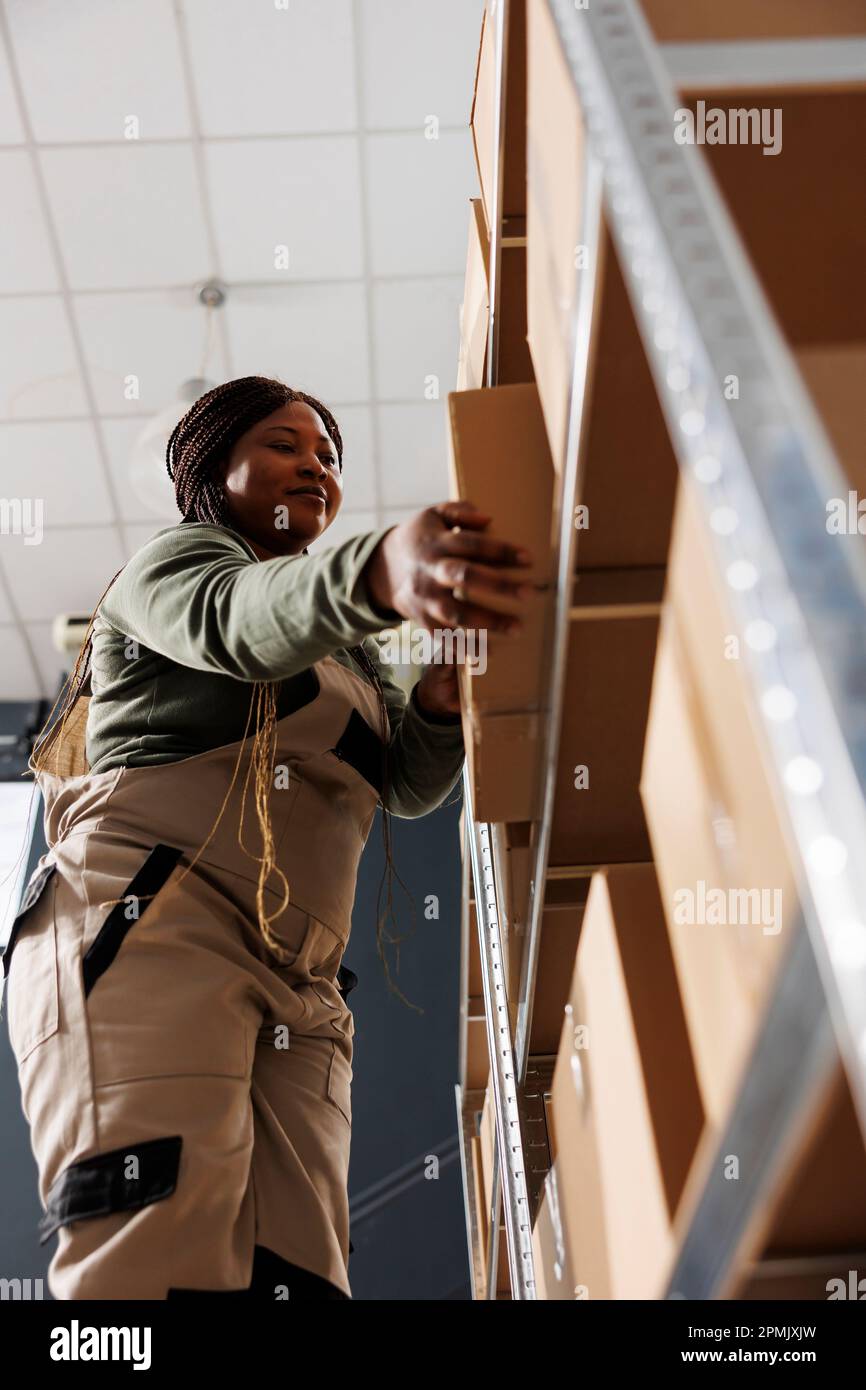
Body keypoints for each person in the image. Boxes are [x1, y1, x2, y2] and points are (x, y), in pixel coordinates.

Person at [2, 376, 532, 1300]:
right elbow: (240, 627)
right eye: (285, 445)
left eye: (327, 456)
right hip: (150, 924)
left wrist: (443, 694)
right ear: (214, 466)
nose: (314, 468)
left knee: (297, 1275)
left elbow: (405, 784)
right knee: (151, 1247)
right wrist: (378, 571)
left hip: (302, 984)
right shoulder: (175, 571)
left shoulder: (350, 654)